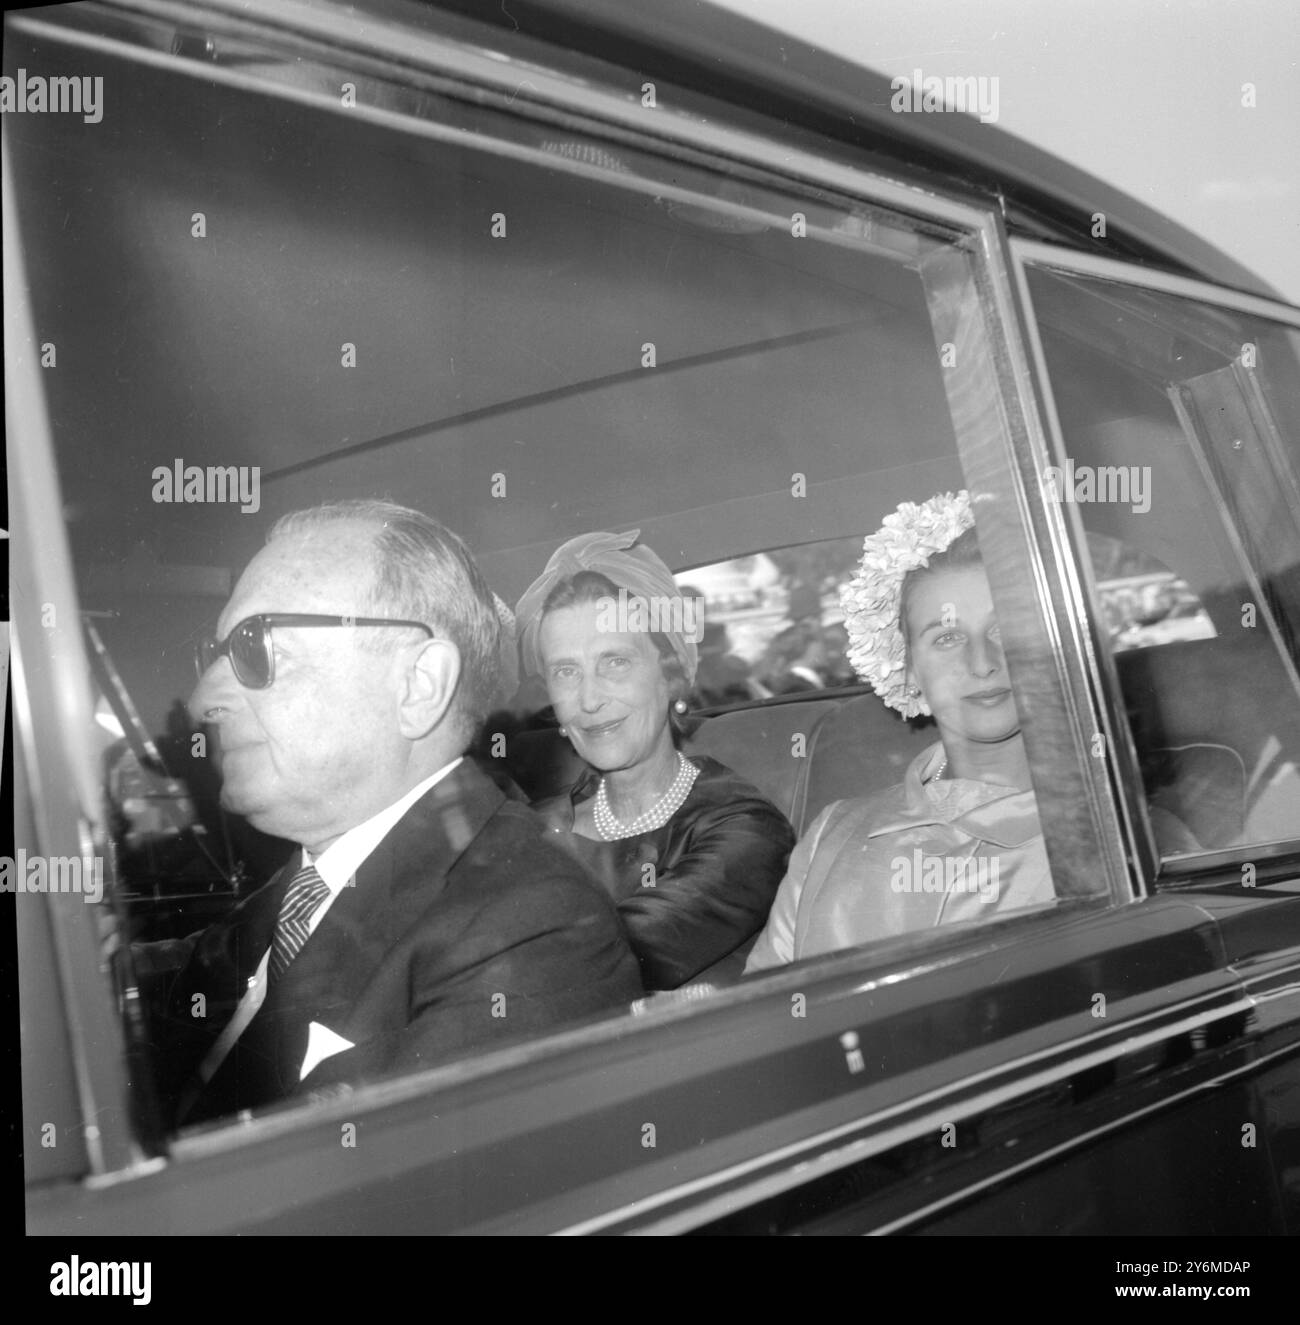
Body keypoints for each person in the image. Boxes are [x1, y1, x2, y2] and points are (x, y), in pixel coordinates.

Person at [146, 500, 642, 1126]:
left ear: (418, 686)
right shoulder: (315, 877)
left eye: (258, 646)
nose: (205, 699)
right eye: (216, 654)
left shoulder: (535, 931)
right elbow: (189, 978)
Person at [746, 491, 1055, 970]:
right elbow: (764, 1008)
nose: (982, 663)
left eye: (1004, 629)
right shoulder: (834, 831)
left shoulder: (1103, 831)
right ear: (908, 670)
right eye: (946, 638)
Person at [515, 530, 795, 990]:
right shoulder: (528, 829)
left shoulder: (744, 832)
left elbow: (604, 961)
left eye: (615, 662)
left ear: (670, 677)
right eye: (566, 672)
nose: (588, 699)